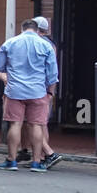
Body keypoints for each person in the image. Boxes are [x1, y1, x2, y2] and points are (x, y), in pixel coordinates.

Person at [0, 18, 59, 172]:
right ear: (37, 30)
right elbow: (52, 74)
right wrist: (50, 92)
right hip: (38, 91)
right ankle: (37, 162)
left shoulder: (10, 43)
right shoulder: (46, 45)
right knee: (36, 125)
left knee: (15, 124)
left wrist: (7, 77)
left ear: (22, 29)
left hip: (15, 90)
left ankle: (12, 160)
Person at [31, 16, 63, 168]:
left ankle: (47, 154)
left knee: (35, 123)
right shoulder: (51, 44)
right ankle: (42, 155)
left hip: (37, 88)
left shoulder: (40, 43)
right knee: (42, 123)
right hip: (45, 87)